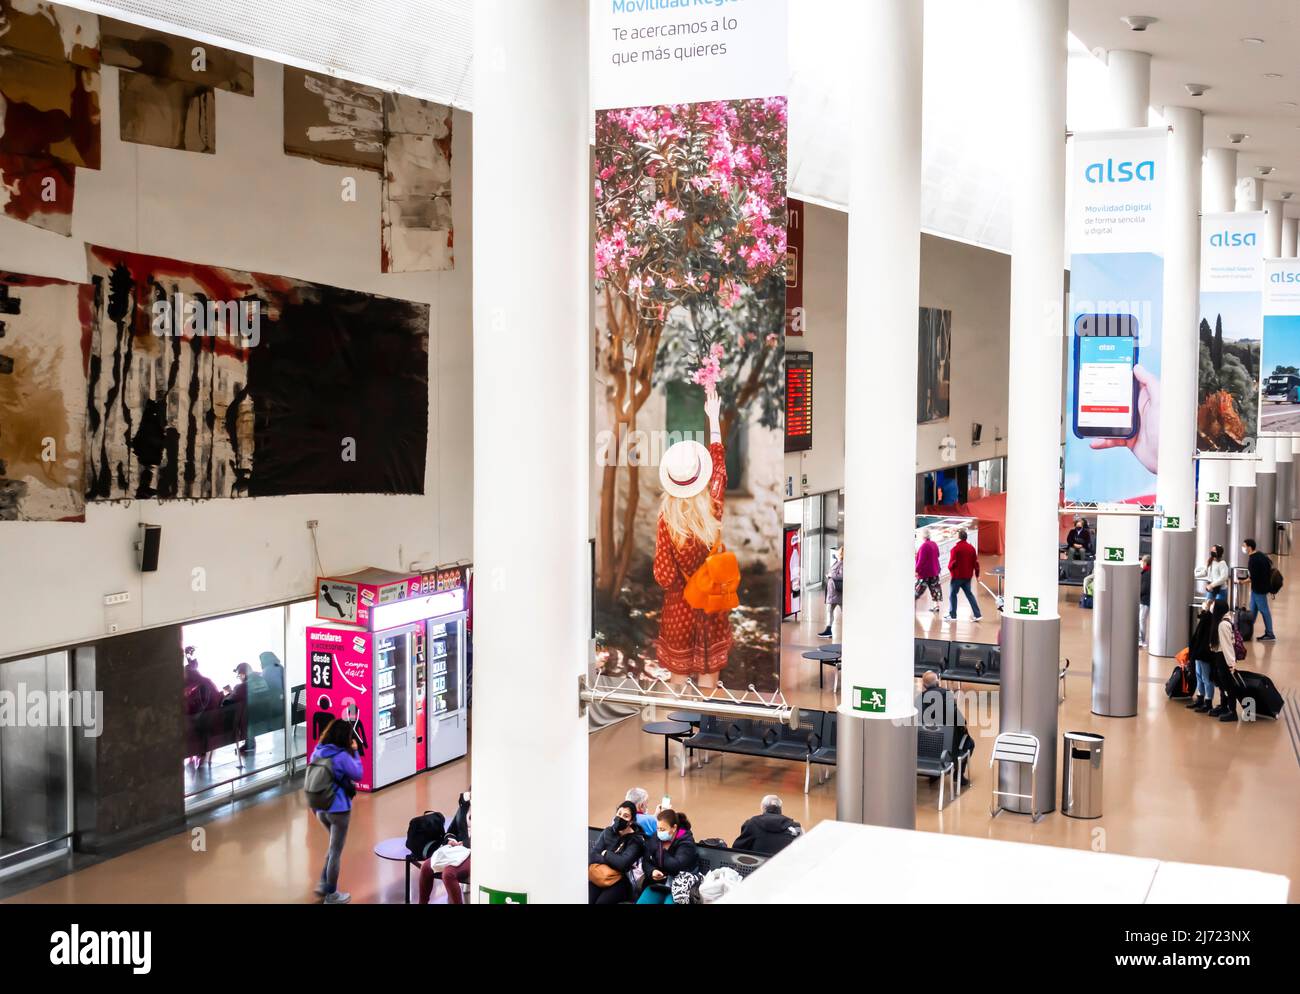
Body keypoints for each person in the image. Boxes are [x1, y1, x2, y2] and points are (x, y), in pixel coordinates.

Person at [652, 385, 733, 690]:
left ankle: (679, 732)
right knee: (709, 676)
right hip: (711, 603)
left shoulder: (666, 518)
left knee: (678, 679)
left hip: (679, 609)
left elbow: (663, 573)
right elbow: (720, 467)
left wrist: (680, 586)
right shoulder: (713, 504)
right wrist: (713, 418)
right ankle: (705, 731)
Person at [308, 718, 363, 904]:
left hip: (319, 807)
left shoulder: (318, 751)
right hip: (338, 809)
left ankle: (323, 883)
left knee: (333, 846)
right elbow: (358, 773)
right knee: (336, 851)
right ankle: (331, 894)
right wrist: (355, 752)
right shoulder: (342, 756)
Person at [916, 671, 974, 785]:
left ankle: (933, 775)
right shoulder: (946, 695)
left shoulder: (918, 699)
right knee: (969, 743)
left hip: (924, 747)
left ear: (923, 685)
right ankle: (958, 776)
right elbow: (958, 719)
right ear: (938, 682)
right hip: (947, 748)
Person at [417, 790, 472, 904]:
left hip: (474, 853)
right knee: (426, 867)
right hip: (457, 850)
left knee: (448, 873)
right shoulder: (464, 807)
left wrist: (464, 843)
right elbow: (452, 830)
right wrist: (451, 841)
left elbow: (487, 839)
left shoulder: (489, 812)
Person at [588, 802, 646, 904]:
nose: (620, 817)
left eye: (626, 816)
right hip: (600, 875)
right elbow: (592, 855)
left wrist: (606, 853)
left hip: (621, 882)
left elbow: (623, 864)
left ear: (631, 821)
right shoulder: (608, 832)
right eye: (619, 814)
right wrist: (612, 859)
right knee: (586, 899)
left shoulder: (636, 840)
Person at [637, 809, 699, 904]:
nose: (659, 832)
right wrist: (652, 871)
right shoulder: (656, 837)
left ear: (674, 828)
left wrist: (660, 850)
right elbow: (646, 861)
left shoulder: (686, 842)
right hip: (659, 884)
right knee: (643, 902)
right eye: (657, 828)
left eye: (662, 829)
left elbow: (676, 867)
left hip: (680, 887)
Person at [182, 653, 220, 768]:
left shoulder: (198, 687)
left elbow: (196, 710)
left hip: (206, 725)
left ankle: (193, 754)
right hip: (215, 723)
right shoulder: (206, 682)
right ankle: (194, 755)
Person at [732, 795, 802, 855]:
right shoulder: (795, 827)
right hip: (786, 868)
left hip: (758, 868)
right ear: (780, 809)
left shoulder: (752, 823)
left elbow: (738, 848)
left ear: (763, 808)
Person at [1208, 598, 1240, 722]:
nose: (1212, 607)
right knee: (1222, 684)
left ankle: (1232, 711)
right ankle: (1224, 706)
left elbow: (1227, 646)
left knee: (1228, 685)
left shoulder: (1223, 625)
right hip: (1220, 656)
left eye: (1214, 606)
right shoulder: (1221, 621)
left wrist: (1231, 663)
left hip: (1224, 658)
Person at [1238, 539, 1276, 642]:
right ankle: (1246, 632)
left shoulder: (1253, 560)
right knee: (1253, 611)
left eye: (1244, 546)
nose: (1243, 548)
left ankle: (1270, 633)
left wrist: (1242, 582)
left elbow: (1253, 577)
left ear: (1249, 547)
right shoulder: (1261, 555)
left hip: (1259, 589)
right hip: (1259, 588)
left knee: (1264, 611)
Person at [944, 529, 982, 623]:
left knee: (953, 595)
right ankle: (977, 615)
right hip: (967, 577)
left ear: (958, 537)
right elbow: (976, 563)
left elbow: (951, 564)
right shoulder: (972, 548)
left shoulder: (955, 549)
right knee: (969, 594)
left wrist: (951, 570)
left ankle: (953, 615)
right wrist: (977, 575)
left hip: (957, 577)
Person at [1187, 600, 1218, 713]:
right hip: (1198, 654)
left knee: (1206, 678)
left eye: (1205, 604)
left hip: (1203, 654)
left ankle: (1208, 702)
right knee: (1199, 676)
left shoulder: (1209, 620)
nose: (1203, 605)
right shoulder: (1205, 618)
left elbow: (1203, 639)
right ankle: (1200, 698)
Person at [914, 530, 942, 613]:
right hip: (934, 571)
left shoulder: (924, 546)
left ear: (923, 537)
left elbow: (921, 561)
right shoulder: (934, 544)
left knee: (918, 589)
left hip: (925, 572)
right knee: (935, 589)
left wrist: (916, 570)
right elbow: (938, 554)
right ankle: (936, 606)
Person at [819, 546, 843, 638]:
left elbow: (842, 576)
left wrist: (830, 574)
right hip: (833, 592)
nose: (836, 553)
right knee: (829, 610)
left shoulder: (842, 564)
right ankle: (828, 630)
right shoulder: (837, 562)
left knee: (841, 611)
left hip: (837, 592)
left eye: (838, 552)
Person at [1138, 554, 1152, 649]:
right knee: (1141, 620)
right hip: (1145, 600)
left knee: (1142, 620)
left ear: (1145, 562)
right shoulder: (1148, 572)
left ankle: (1141, 640)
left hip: (1144, 600)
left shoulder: (1147, 573)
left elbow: (1144, 588)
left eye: (1142, 561)